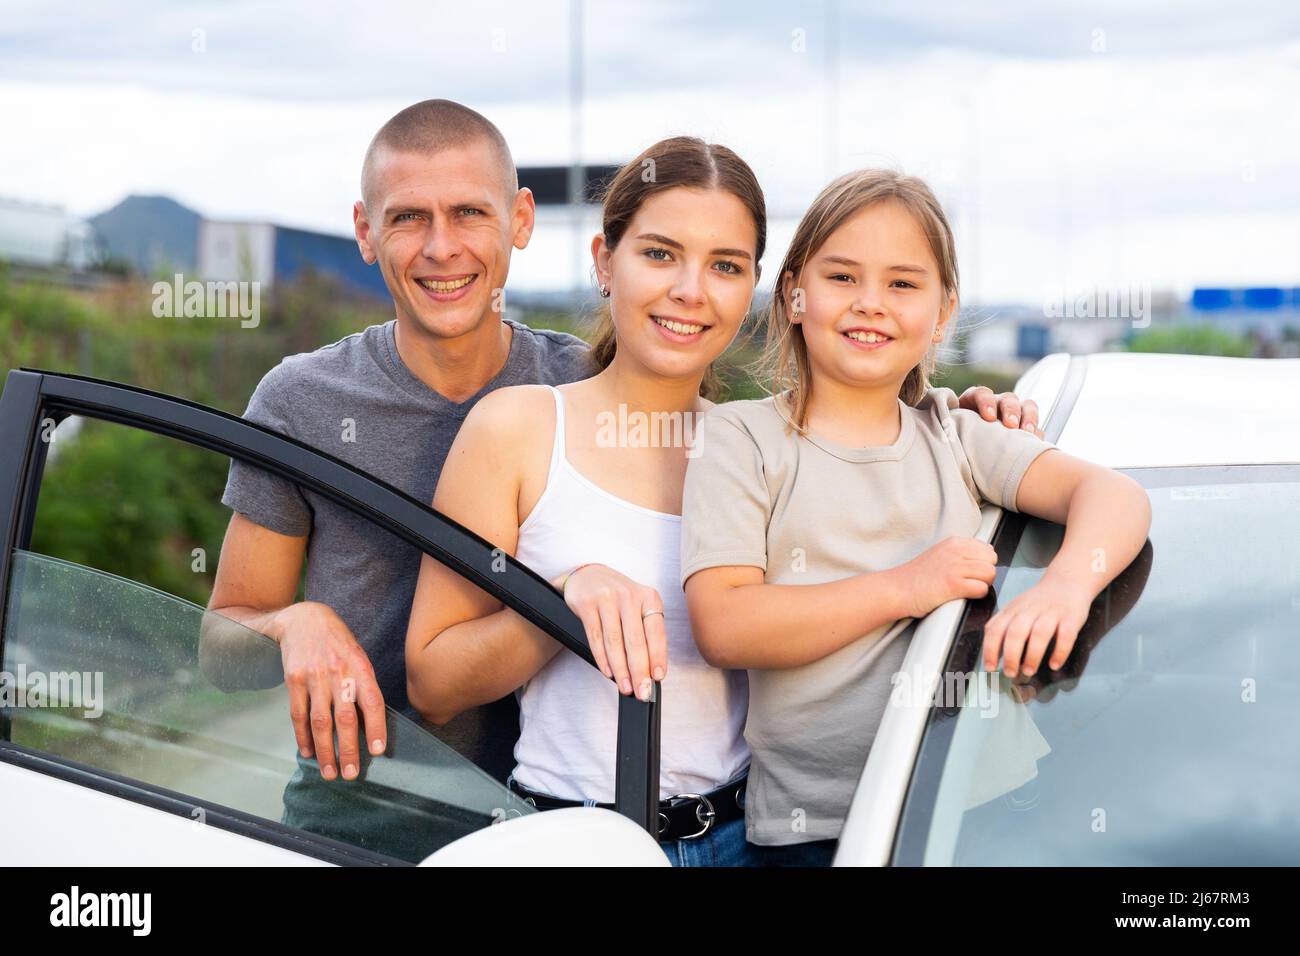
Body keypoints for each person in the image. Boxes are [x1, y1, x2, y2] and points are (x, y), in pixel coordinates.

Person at [405, 141, 1044, 866]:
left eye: (726, 267)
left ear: (760, 289)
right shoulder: (519, 429)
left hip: (761, 837)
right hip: (581, 838)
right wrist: (560, 603)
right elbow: (433, 684)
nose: (690, 291)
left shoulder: (766, 446)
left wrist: (964, 414)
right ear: (603, 260)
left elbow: (893, 448)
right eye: (658, 254)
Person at [678, 168, 1153, 865]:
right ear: (794, 293)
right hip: (814, 833)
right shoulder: (742, 438)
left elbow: (1116, 498)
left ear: (943, 312)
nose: (871, 304)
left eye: (903, 284)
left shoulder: (959, 435)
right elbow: (725, 623)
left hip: (978, 808)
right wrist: (908, 587)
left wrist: (1065, 588)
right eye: (842, 277)